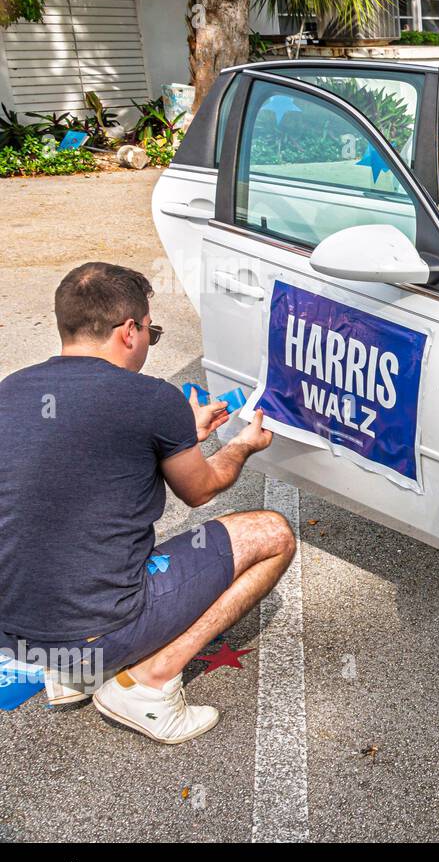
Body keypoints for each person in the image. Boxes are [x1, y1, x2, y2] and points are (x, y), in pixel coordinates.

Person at [0, 262, 296, 744]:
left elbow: (79, 458)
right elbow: (200, 490)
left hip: (15, 636)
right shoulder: (151, 397)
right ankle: (149, 684)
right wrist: (240, 445)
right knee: (273, 534)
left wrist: (182, 437)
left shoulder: (12, 390)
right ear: (130, 330)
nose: (148, 342)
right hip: (96, 631)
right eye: (152, 333)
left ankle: (74, 673)